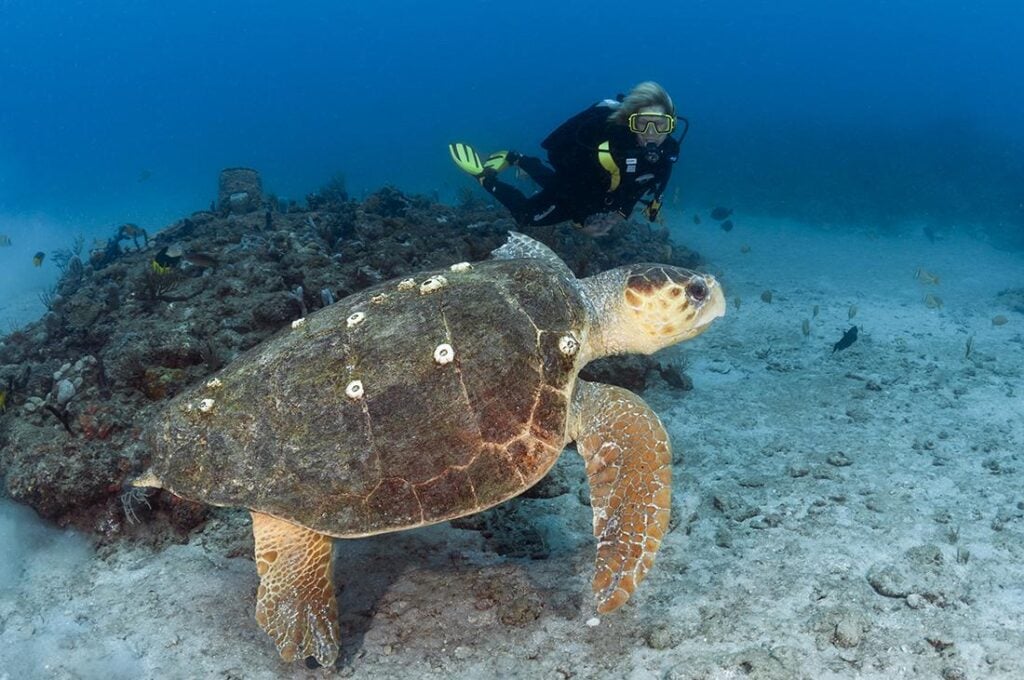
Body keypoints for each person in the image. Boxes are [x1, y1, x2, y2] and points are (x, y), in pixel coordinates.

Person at [449, 81, 684, 235]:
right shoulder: (608, 144)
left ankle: (519, 158)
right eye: (642, 124)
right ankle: (485, 178)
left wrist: (618, 217)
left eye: (661, 125)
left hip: (596, 192)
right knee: (526, 216)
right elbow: (571, 184)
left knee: (553, 183)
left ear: (671, 125)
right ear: (630, 123)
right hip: (576, 182)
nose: (652, 133)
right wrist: (581, 220)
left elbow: (648, 184)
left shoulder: (668, 152)